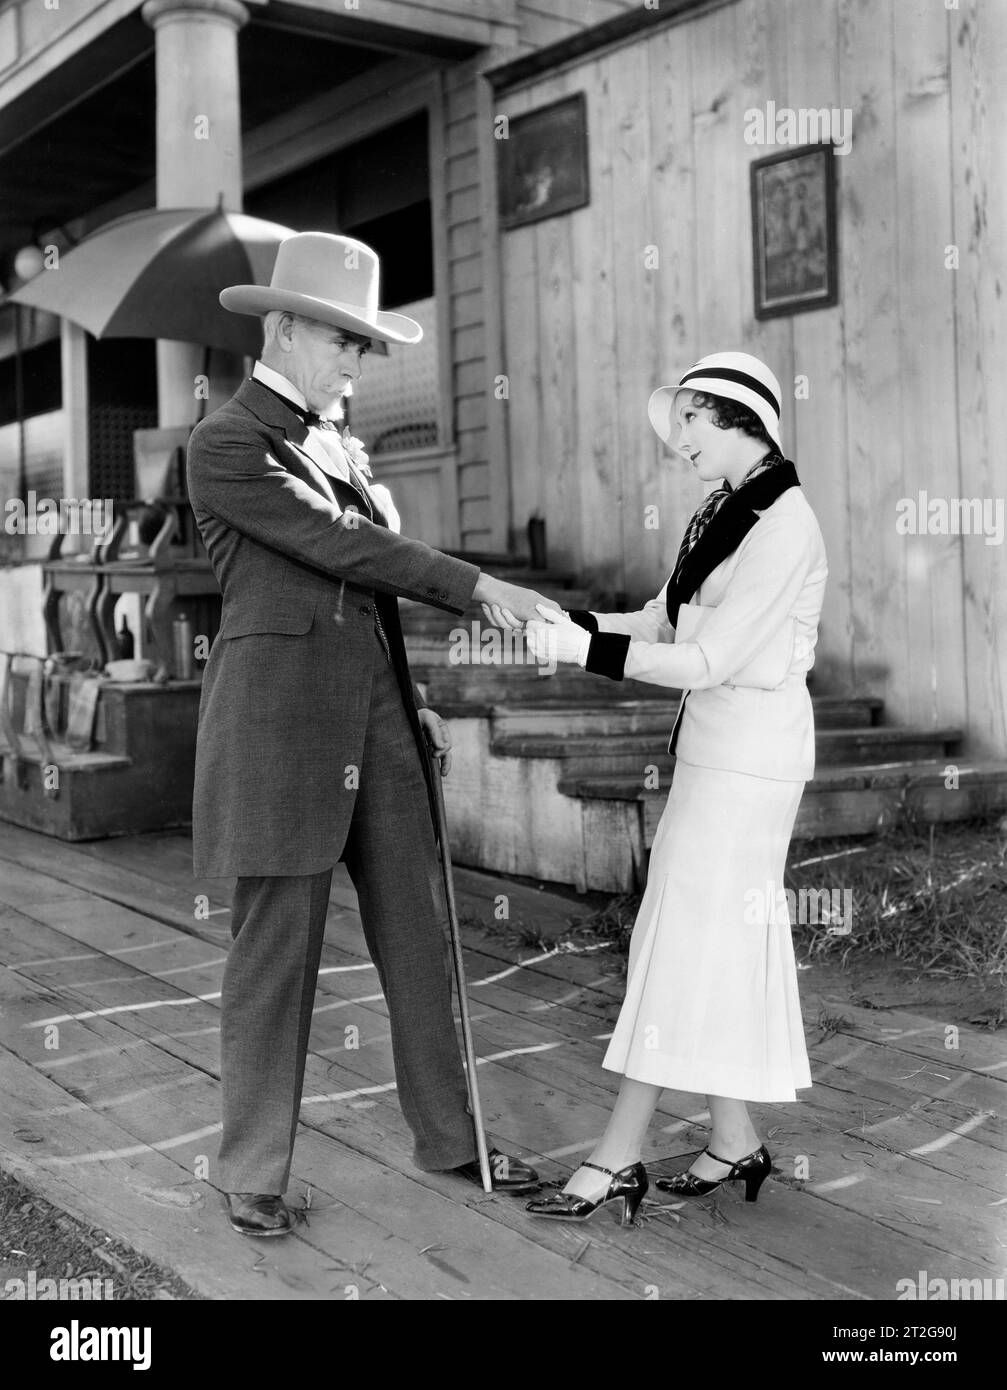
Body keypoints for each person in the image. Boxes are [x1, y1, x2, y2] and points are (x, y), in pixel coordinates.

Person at [187, 231, 555, 1236]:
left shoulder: (339, 445)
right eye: (345, 342)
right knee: (275, 955)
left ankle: (451, 1137)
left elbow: (368, 598)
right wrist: (479, 586)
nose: (359, 363)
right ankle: (249, 1170)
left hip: (382, 725)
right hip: (280, 737)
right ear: (288, 326)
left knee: (422, 941)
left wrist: (413, 697)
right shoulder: (226, 443)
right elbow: (343, 545)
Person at [521, 351, 828, 1224]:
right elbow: (664, 618)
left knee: (681, 936)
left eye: (688, 422)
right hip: (712, 752)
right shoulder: (719, 512)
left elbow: (708, 659)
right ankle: (733, 1139)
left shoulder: (785, 526)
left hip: (752, 761)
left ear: (734, 416)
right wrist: (570, 622)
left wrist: (584, 653)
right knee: (702, 937)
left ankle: (617, 1156)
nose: (677, 441)